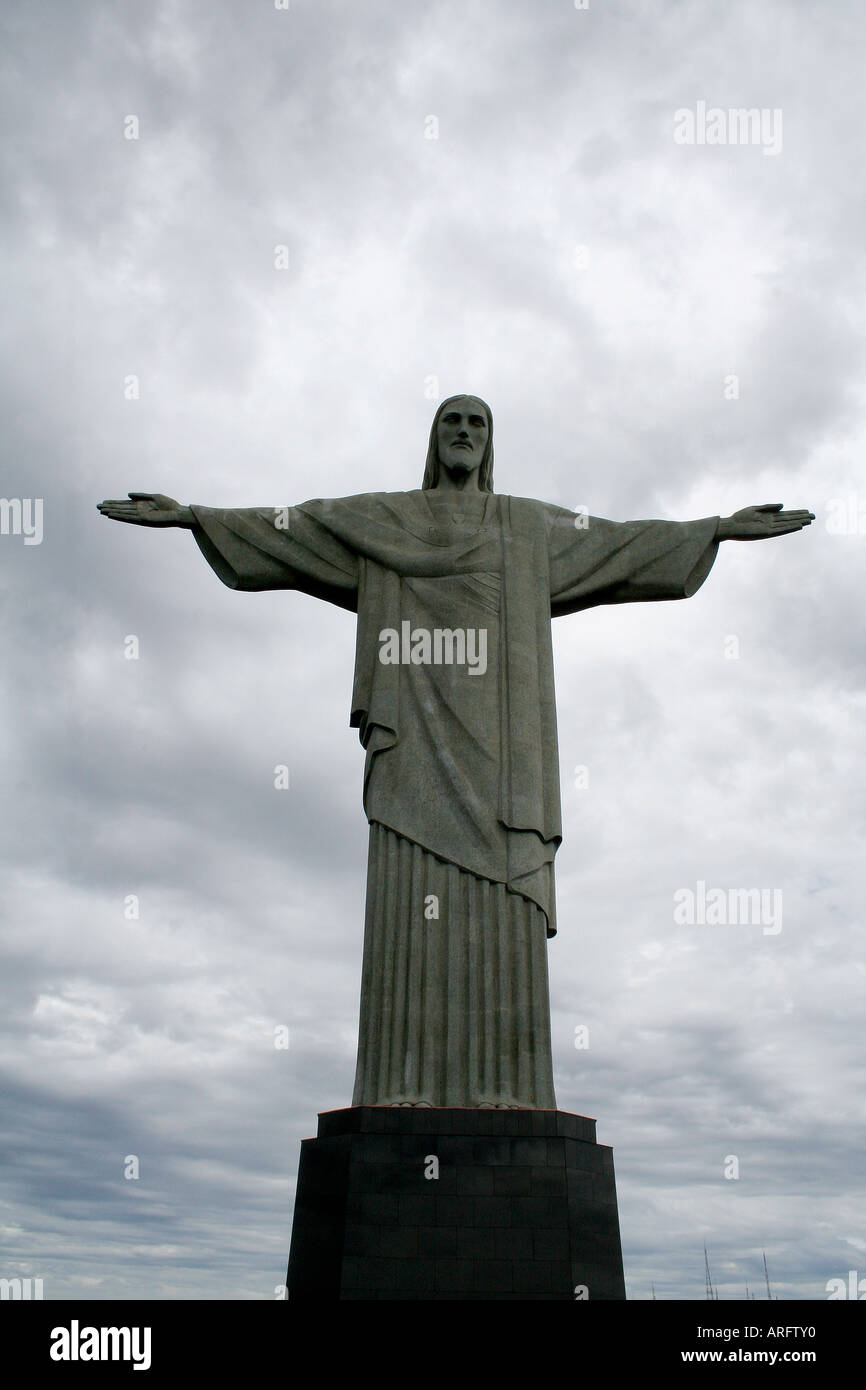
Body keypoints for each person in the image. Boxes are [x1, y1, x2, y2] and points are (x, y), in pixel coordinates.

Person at [98, 394, 813, 1109]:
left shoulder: (526, 528)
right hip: (413, 732)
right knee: (411, 890)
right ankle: (396, 1085)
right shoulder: (386, 520)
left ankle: (510, 1090)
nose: (464, 433)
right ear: (433, 437)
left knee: (502, 890)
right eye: (452, 421)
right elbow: (297, 528)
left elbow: (620, 542)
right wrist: (196, 515)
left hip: (503, 748)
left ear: (490, 442)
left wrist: (715, 528)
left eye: (477, 424)